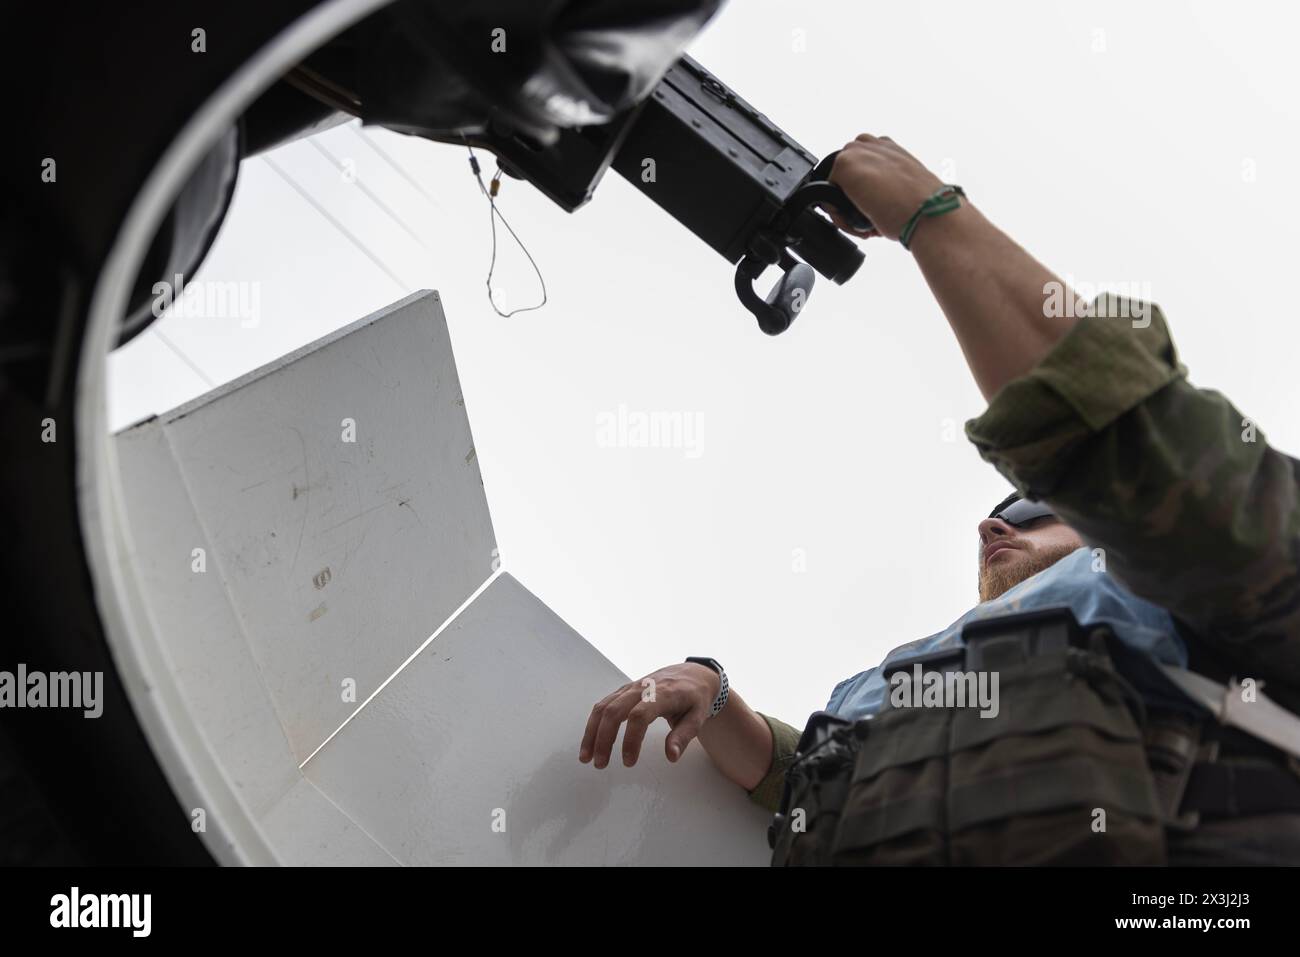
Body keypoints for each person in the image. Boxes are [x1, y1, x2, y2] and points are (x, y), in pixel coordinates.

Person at [577, 134, 1300, 864]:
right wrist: (713, 687)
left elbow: (1156, 466)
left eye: (1030, 504)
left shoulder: (1173, 589)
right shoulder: (895, 677)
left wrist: (927, 212)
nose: (993, 522)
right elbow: (798, 780)